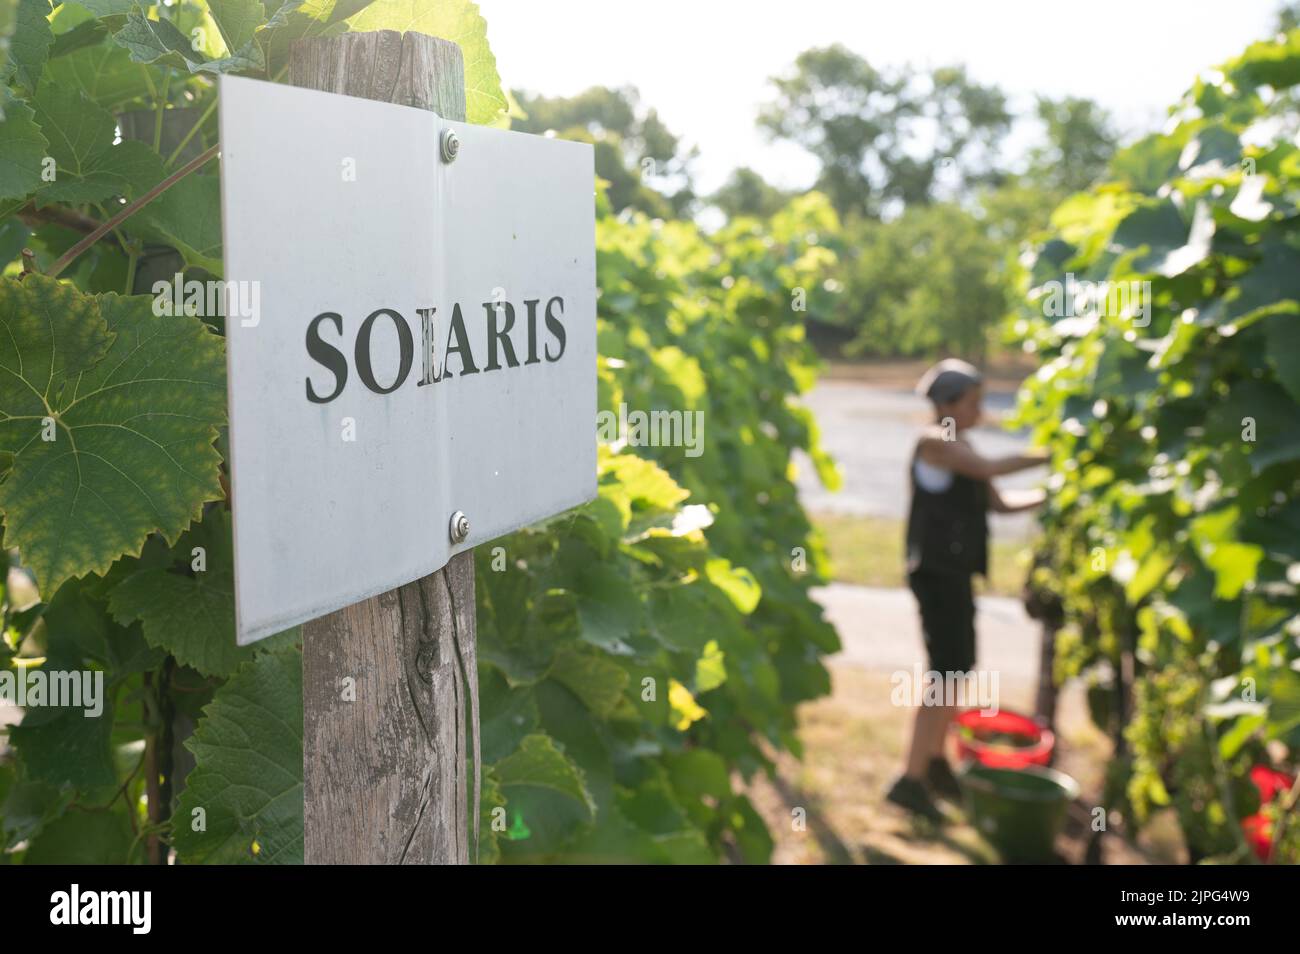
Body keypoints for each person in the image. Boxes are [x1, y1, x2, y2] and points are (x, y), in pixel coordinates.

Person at [885, 358, 1046, 821]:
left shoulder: (963, 447)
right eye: (975, 401)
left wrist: (1053, 494)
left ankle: (934, 761)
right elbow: (990, 468)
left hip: (954, 573)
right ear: (949, 405)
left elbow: (999, 502)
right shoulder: (936, 444)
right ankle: (910, 777)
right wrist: (1055, 452)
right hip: (936, 573)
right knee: (943, 672)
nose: (982, 409)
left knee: (957, 668)